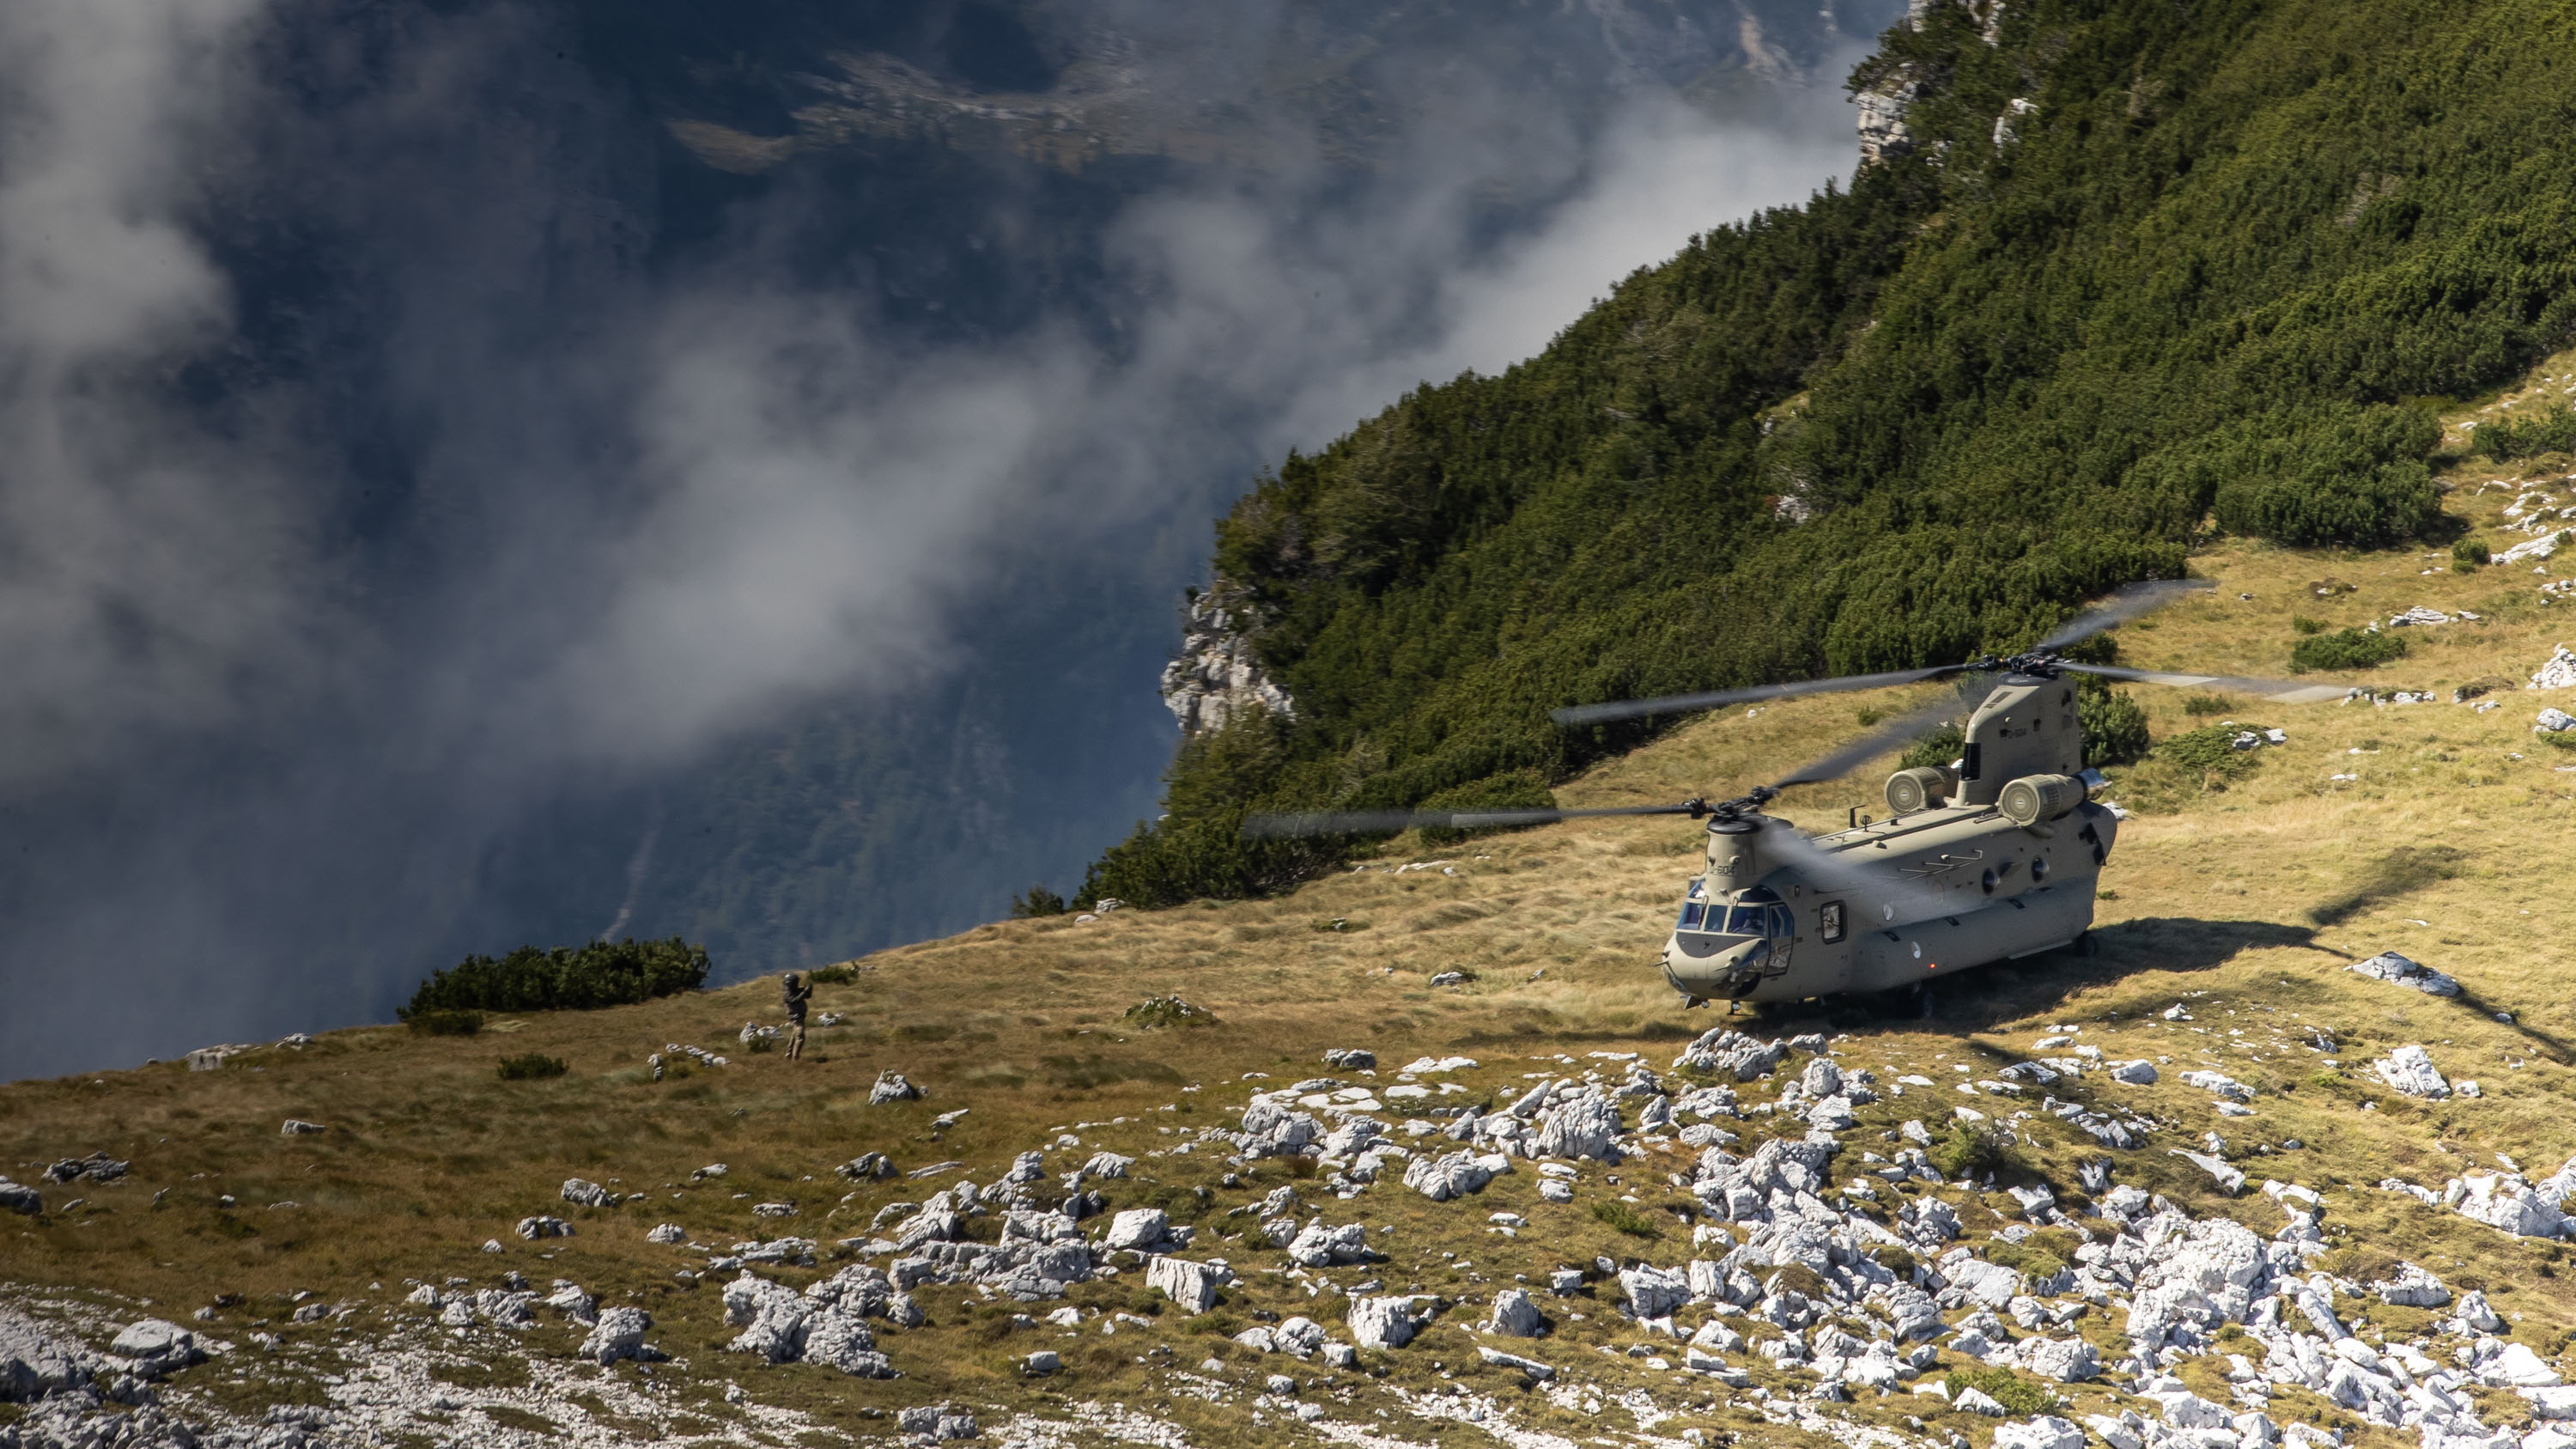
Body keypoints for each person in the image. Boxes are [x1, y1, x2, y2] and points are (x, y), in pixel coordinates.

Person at [781, 971, 813, 1060]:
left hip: (798, 1017)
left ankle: (789, 1053)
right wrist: (805, 992)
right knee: (800, 1037)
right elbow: (795, 1000)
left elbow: (808, 996)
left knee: (794, 1035)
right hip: (796, 1017)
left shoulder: (794, 991)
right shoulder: (787, 993)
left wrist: (809, 989)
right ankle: (795, 1057)